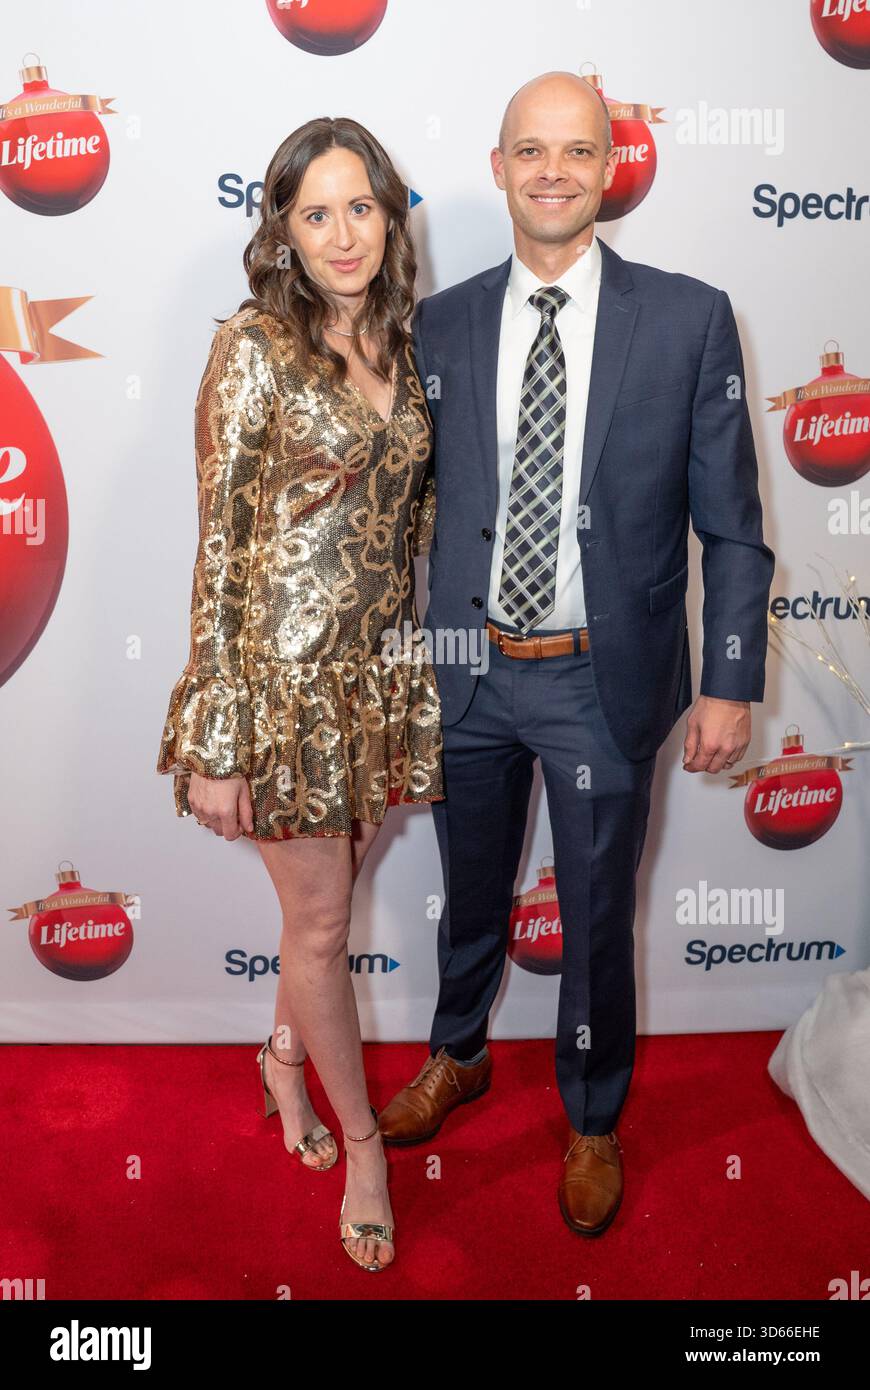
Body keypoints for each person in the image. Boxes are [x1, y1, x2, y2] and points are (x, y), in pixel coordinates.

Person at [378, 71, 776, 1237]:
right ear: (499, 169)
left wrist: (731, 679)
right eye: (530, 150)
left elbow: (735, 530)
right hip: (469, 672)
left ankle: (594, 1117)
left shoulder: (692, 317)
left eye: (578, 151)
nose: (553, 170)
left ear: (611, 170)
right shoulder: (435, 325)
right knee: (469, 895)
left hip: (607, 680)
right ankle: (458, 1053)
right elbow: (404, 513)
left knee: (596, 917)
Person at [156, 117, 444, 1271]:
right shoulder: (253, 347)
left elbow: (409, 526)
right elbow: (220, 548)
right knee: (324, 926)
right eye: (314, 212)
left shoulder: (404, 344)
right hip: (277, 694)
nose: (341, 234)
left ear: (390, 215)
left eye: (360, 208)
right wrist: (218, 734)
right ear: (282, 226)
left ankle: (285, 1059)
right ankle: (364, 1144)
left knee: (317, 918)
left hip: (372, 684)